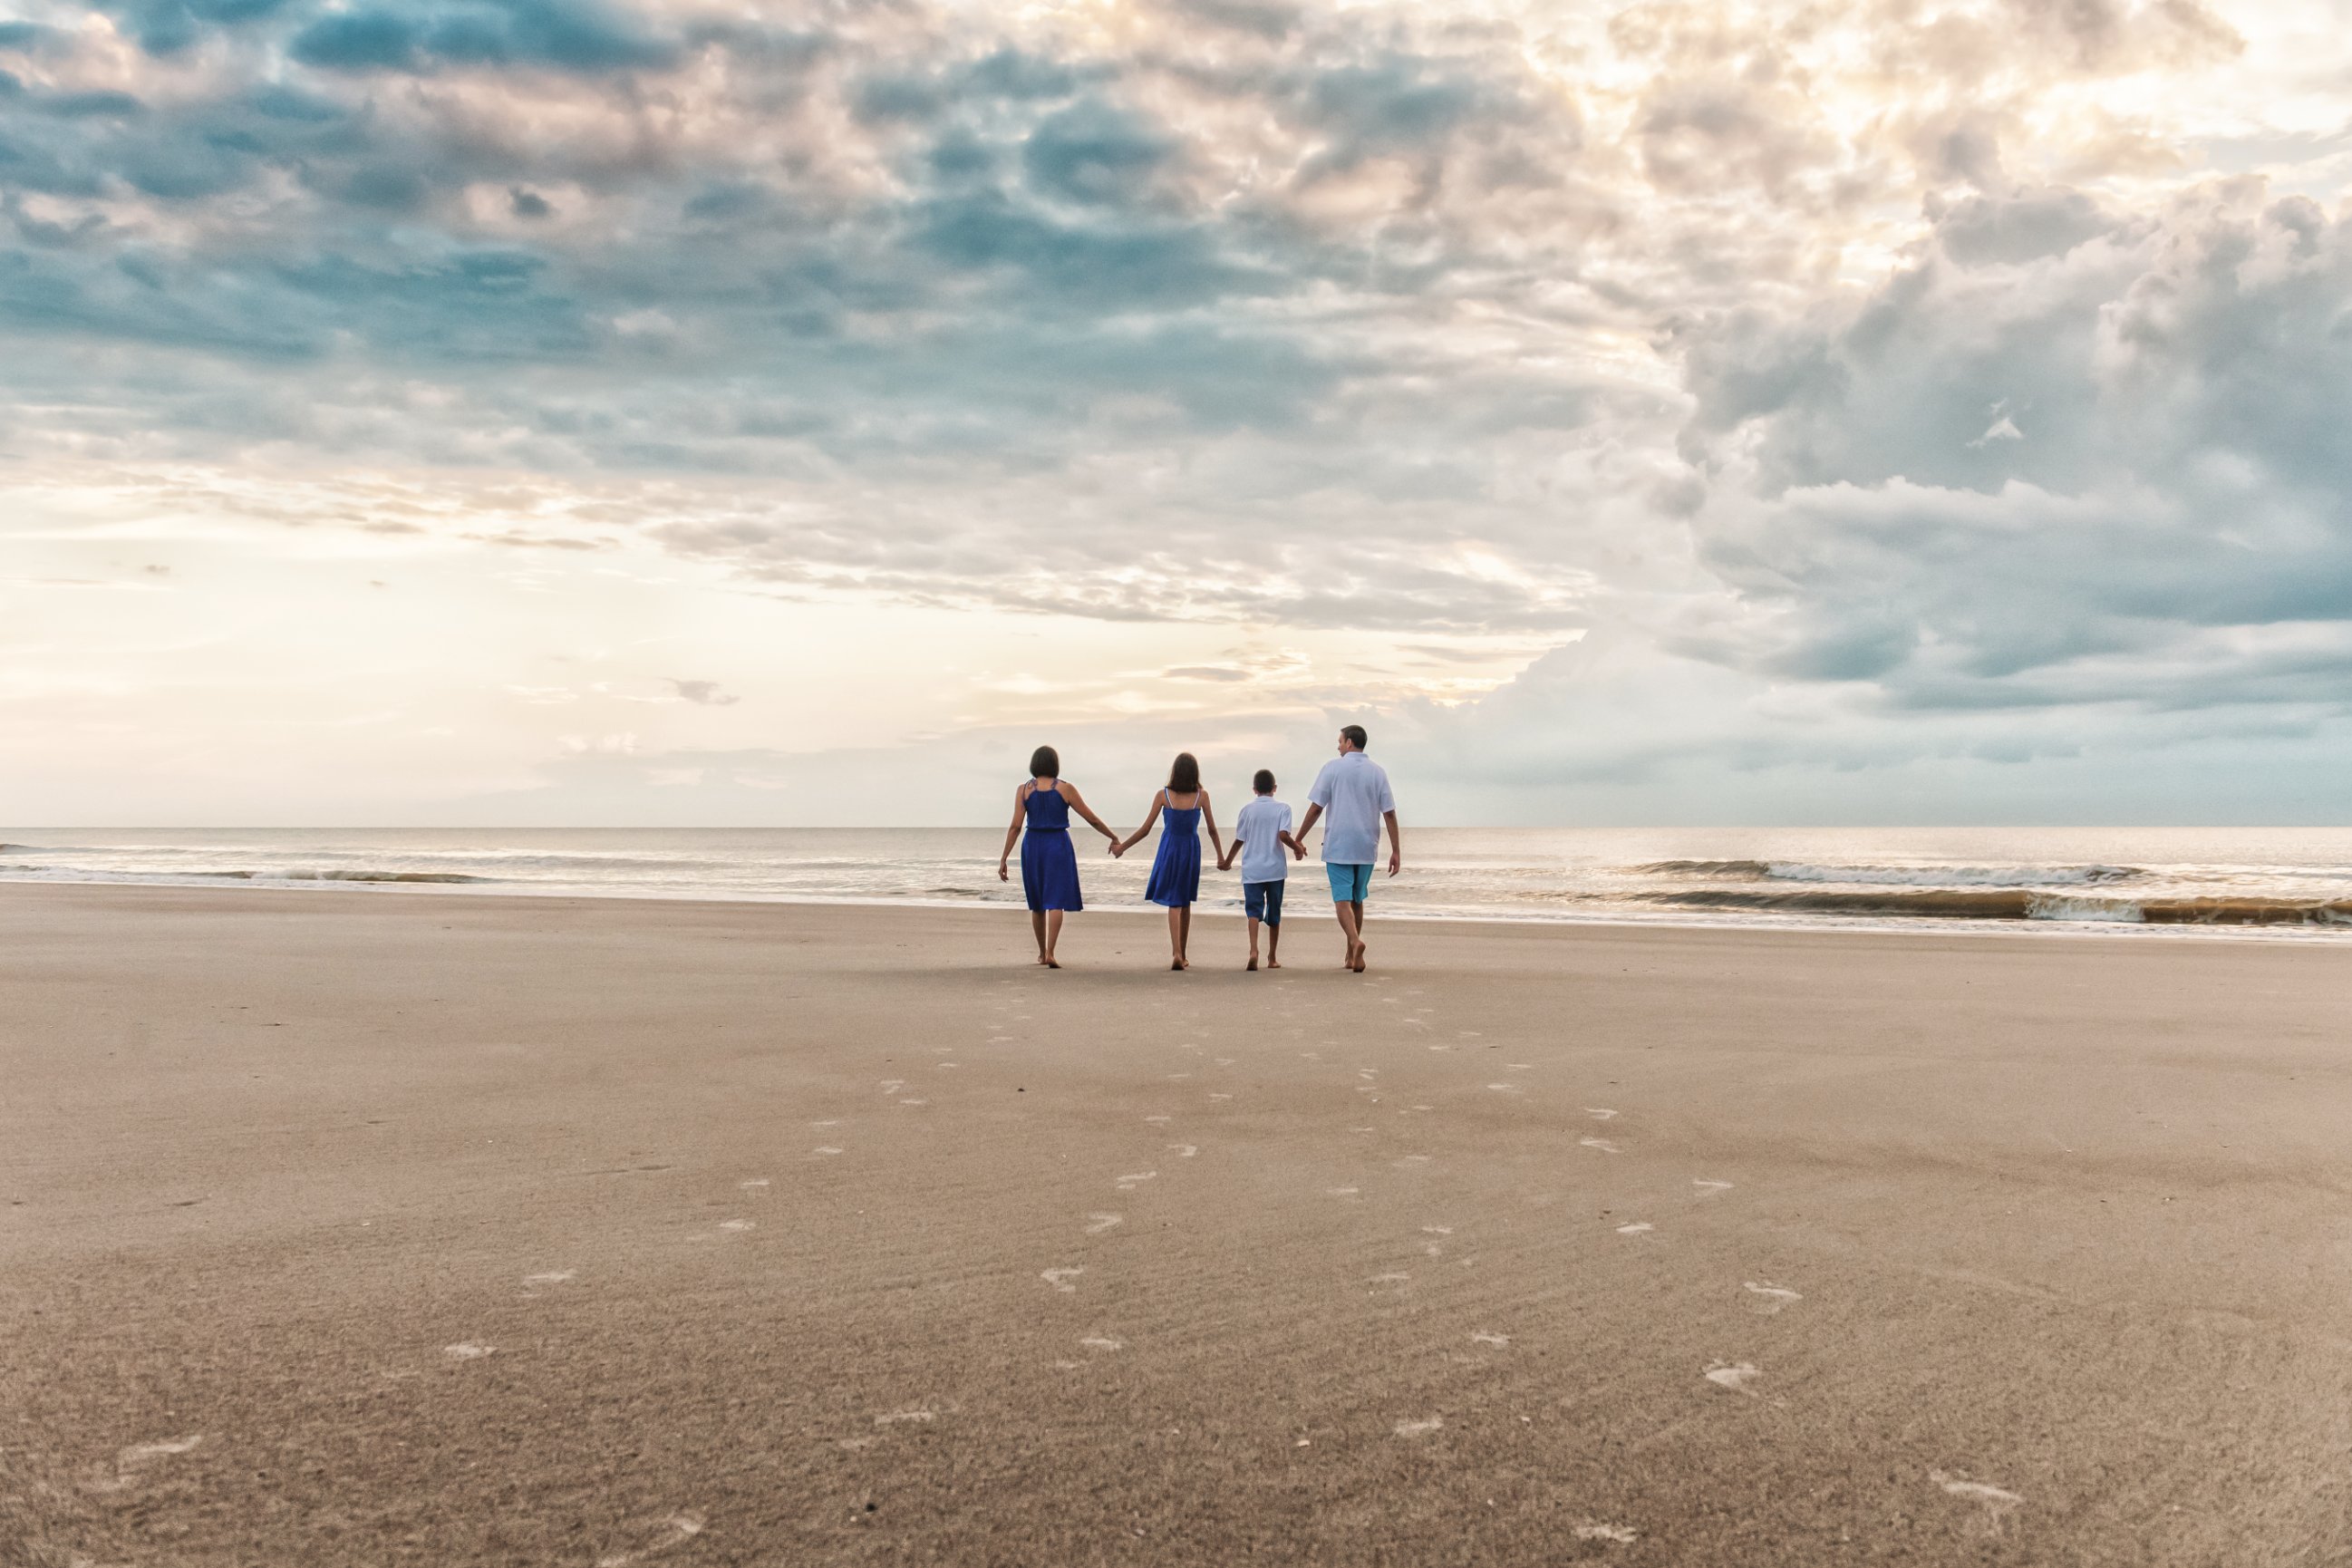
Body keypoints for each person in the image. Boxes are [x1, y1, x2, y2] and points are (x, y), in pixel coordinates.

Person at [997, 745, 1119, 968]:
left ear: (1034, 764)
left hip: (1032, 845)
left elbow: (1015, 826)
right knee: (1055, 901)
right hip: (1057, 845)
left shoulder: (1023, 790)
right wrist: (1112, 836)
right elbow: (1091, 818)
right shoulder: (1066, 789)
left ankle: (1042, 953)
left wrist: (1004, 858)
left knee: (1037, 903)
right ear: (1055, 764)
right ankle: (1052, 952)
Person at [1295, 724, 1400, 973]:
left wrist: (1298, 838)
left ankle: (1354, 942)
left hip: (1339, 844)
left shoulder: (1332, 767)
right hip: (1366, 845)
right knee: (1357, 898)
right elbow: (1390, 814)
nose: (1338, 746)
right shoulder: (1378, 772)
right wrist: (1396, 850)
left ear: (1350, 743)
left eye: (1340, 741)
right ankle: (1350, 956)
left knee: (1342, 900)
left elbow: (1316, 808)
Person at [1112, 752, 1226, 971]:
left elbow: (1145, 830)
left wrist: (1122, 848)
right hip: (1191, 849)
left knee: (1174, 902)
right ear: (1194, 772)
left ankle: (1176, 952)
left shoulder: (1163, 795)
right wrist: (1221, 857)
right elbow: (1212, 829)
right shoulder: (1201, 796)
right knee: (1184, 901)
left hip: (1170, 848)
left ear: (1174, 771)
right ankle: (1182, 954)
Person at [1218, 768, 1305, 972]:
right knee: (1274, 914)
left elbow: (1240, 839)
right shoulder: (1283, 809)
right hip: (1275, 869)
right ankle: (1272, 957)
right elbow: (1283, 836)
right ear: (1274, 789)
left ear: (1254, 789)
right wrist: (1298, 849)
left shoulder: (1246, 810)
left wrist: (1228, 861)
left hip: (1252, 869)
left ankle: (1253, 951)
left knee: (1253, 912)